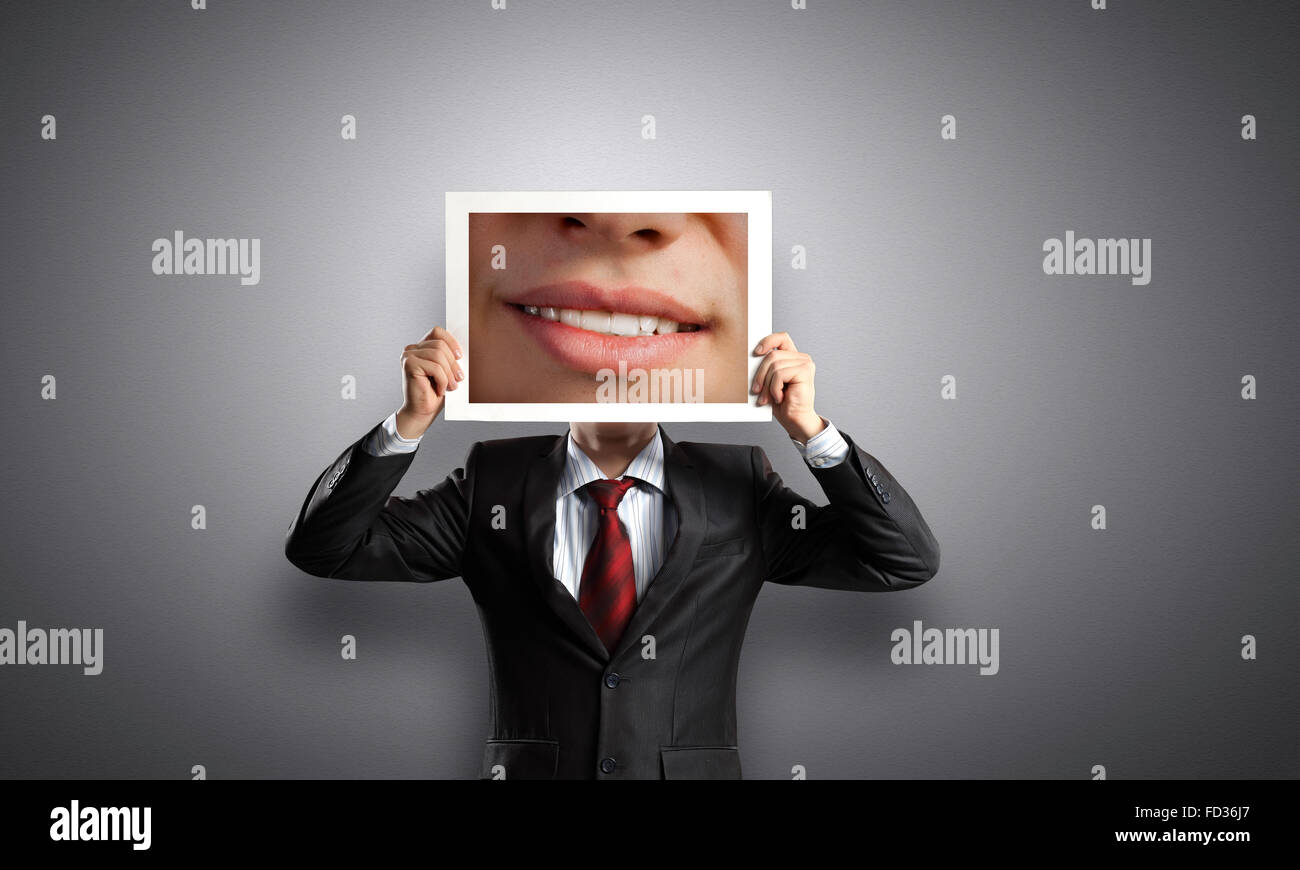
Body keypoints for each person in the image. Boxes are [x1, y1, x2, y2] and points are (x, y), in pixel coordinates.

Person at [284, 325, 941, 779]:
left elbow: (901, 559)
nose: (618, 369)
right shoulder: (494, 478)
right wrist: (407, 424)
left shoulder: (737, 482)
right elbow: (326, 548)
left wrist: (811, 432)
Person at [467, 212, 749, 403]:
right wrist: (419, 430)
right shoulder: (478, 470)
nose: (617, 218)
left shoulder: (750, 472)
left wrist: (795, 433)